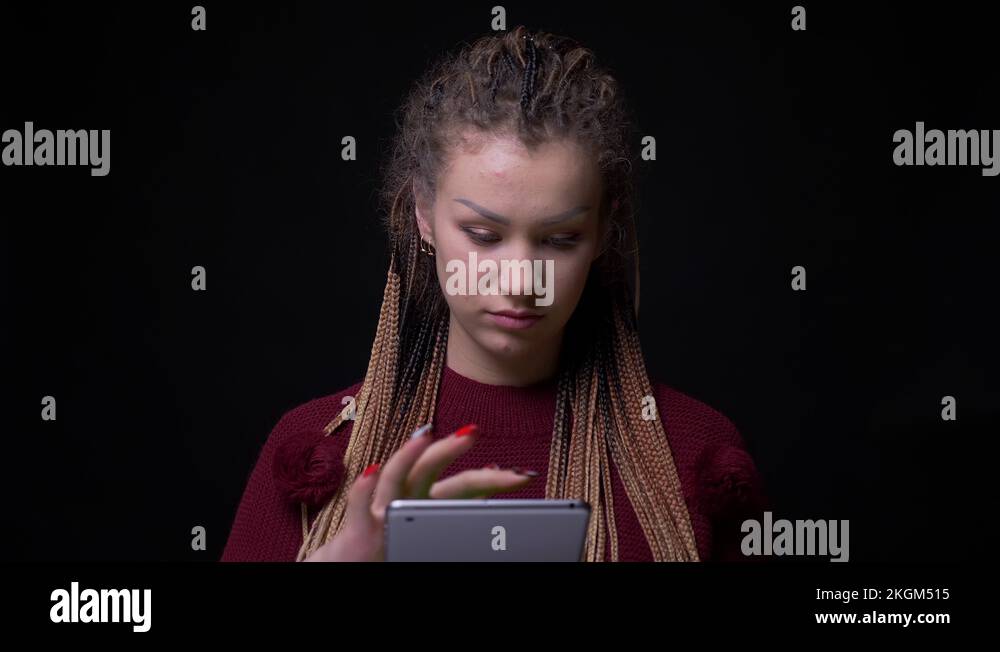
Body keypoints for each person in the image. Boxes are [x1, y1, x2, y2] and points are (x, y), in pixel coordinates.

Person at [222, 25, 769, 563]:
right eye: (483, 236)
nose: (519, 279)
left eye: (560, 239)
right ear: (423, 215)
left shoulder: (695, 455)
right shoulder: (314, 450)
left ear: (604, 231)